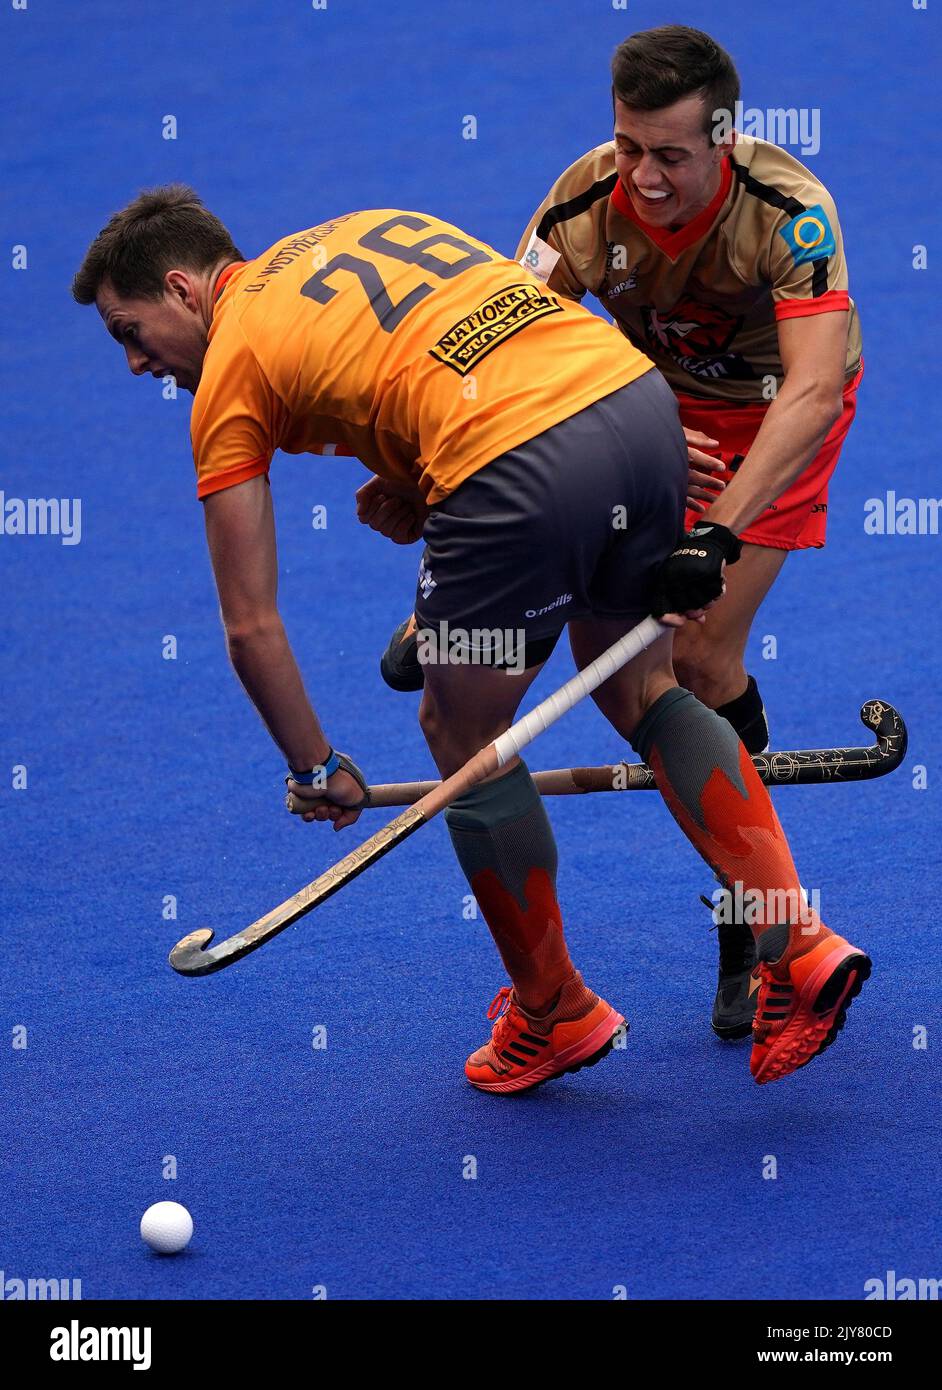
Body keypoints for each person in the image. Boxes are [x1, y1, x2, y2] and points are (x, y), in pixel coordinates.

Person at [72, 187, 869, 1093]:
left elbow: (250, 625)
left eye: (127, 331)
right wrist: (565, 454)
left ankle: (554, 1011)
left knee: (463, 738)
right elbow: (455, 344)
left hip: (514, 474)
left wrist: (313, 765)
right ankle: (798, 945)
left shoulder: (228, 376)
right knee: (644, 692)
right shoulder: (360, 223)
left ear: (183, 289)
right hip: (636, 408)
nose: (137, 363)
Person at [379, 24, 863, 1042]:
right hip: (639, 408)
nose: (641, 175)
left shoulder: (791, 214)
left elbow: (814, 388)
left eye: (670, 156)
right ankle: (461, 614)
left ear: (725, 142)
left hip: (772, 416)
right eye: (628, 146)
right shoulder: (581, 201)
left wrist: (713, 536)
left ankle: (757, 928)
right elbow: (497, 374)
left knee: (690, 650)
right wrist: (436, 520)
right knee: (564, 524)